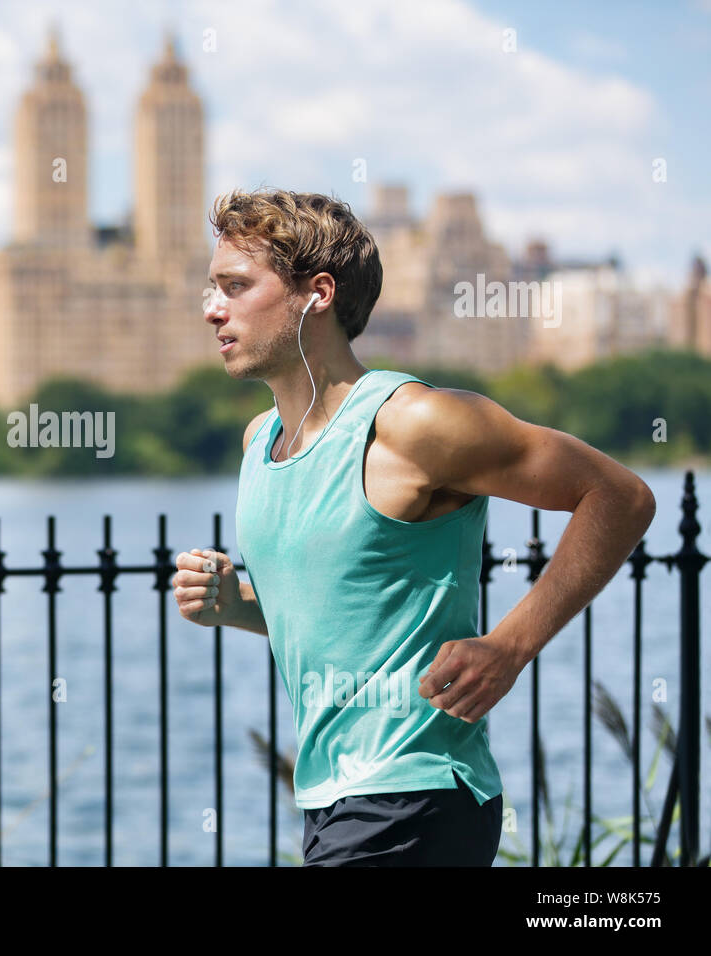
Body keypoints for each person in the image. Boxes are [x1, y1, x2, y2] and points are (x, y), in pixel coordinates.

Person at [173, 188, 656, 866]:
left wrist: (510, 646)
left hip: (416, 794)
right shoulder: (262, 442)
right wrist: (240, 605)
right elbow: (346, 615)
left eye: (235, 286)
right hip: (331, 798)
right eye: (210, 287)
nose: (210, 307)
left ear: (317, 293)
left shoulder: (414, 424)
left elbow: (619, 496)